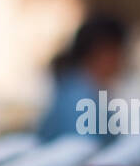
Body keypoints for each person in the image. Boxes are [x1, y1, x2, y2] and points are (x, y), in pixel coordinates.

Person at [36, 13, 128, 144]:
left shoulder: (83, 89)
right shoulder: (79, 99)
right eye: (121, 52)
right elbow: (81, 151)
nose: (123, 60)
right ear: (104, 52)